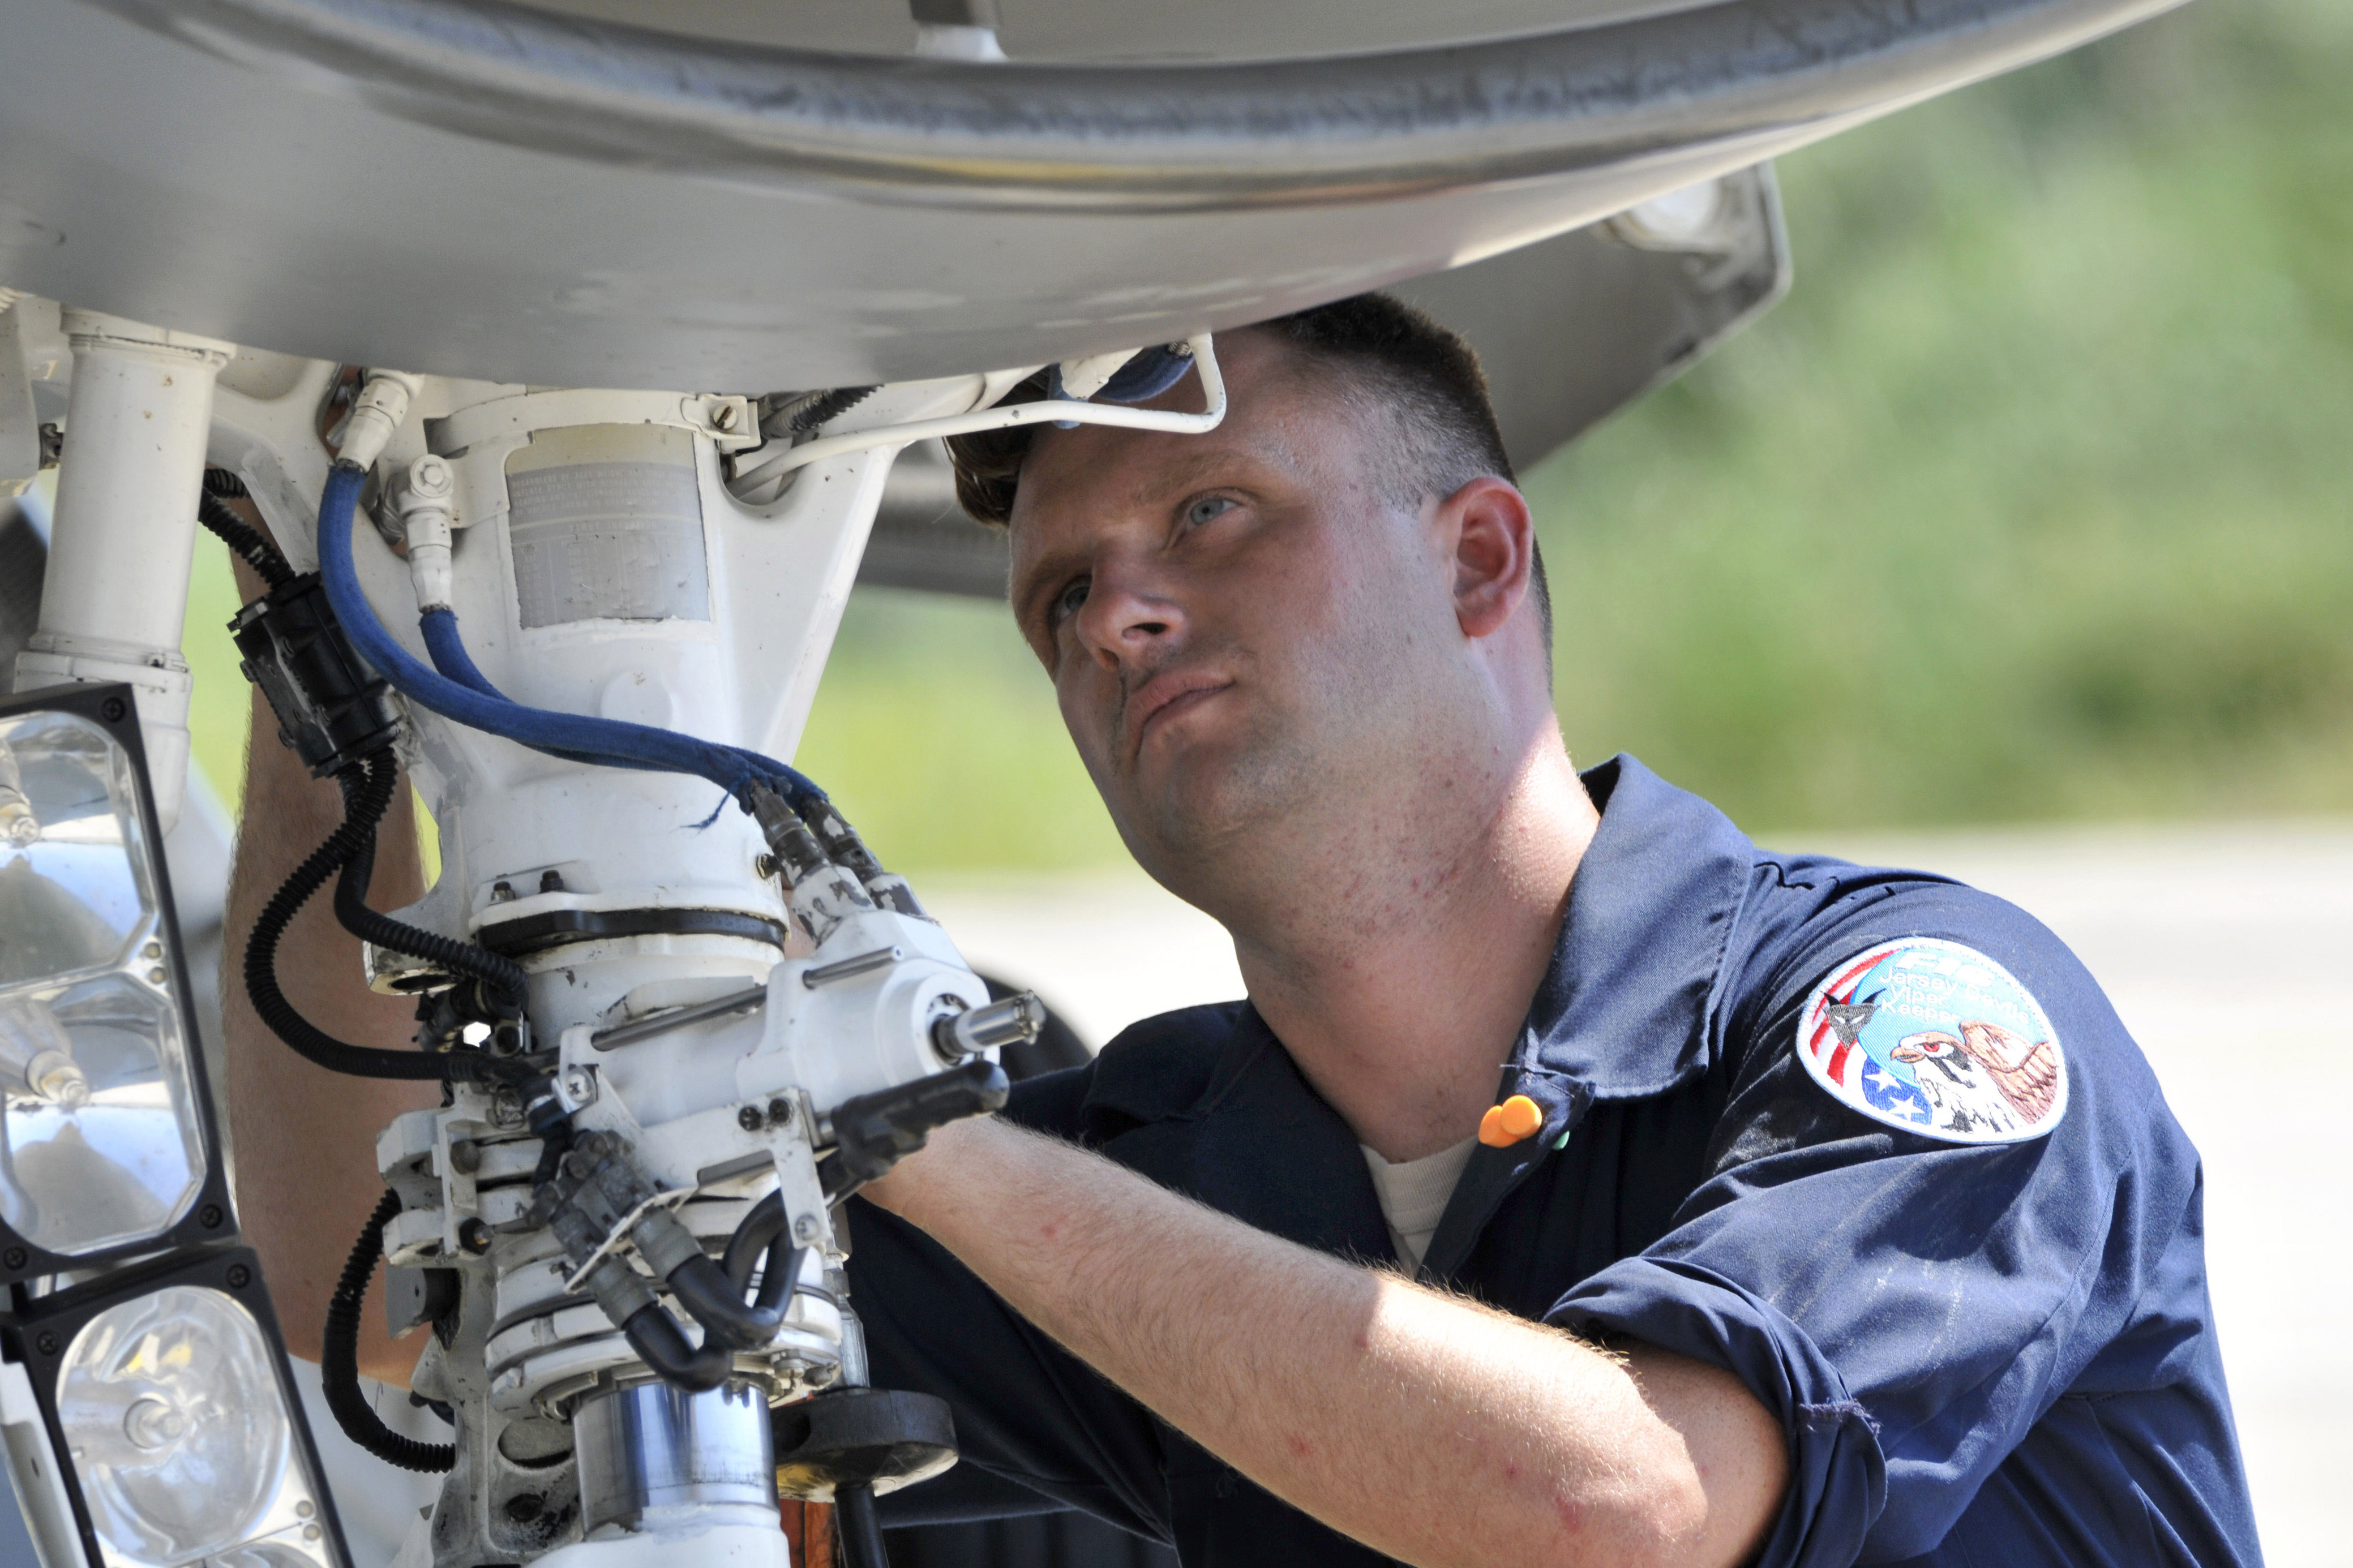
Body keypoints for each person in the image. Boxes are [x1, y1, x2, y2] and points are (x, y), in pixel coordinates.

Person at [225, 296, 2260, 1568]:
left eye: (1212, 518)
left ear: (1478, 558)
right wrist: (318, 685)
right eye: (1060, 594)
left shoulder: (1896, 1010)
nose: (1114, 613)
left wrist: (912, 1140)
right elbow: (400, 1303)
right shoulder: (1180, 1169)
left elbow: (1624, 1510)